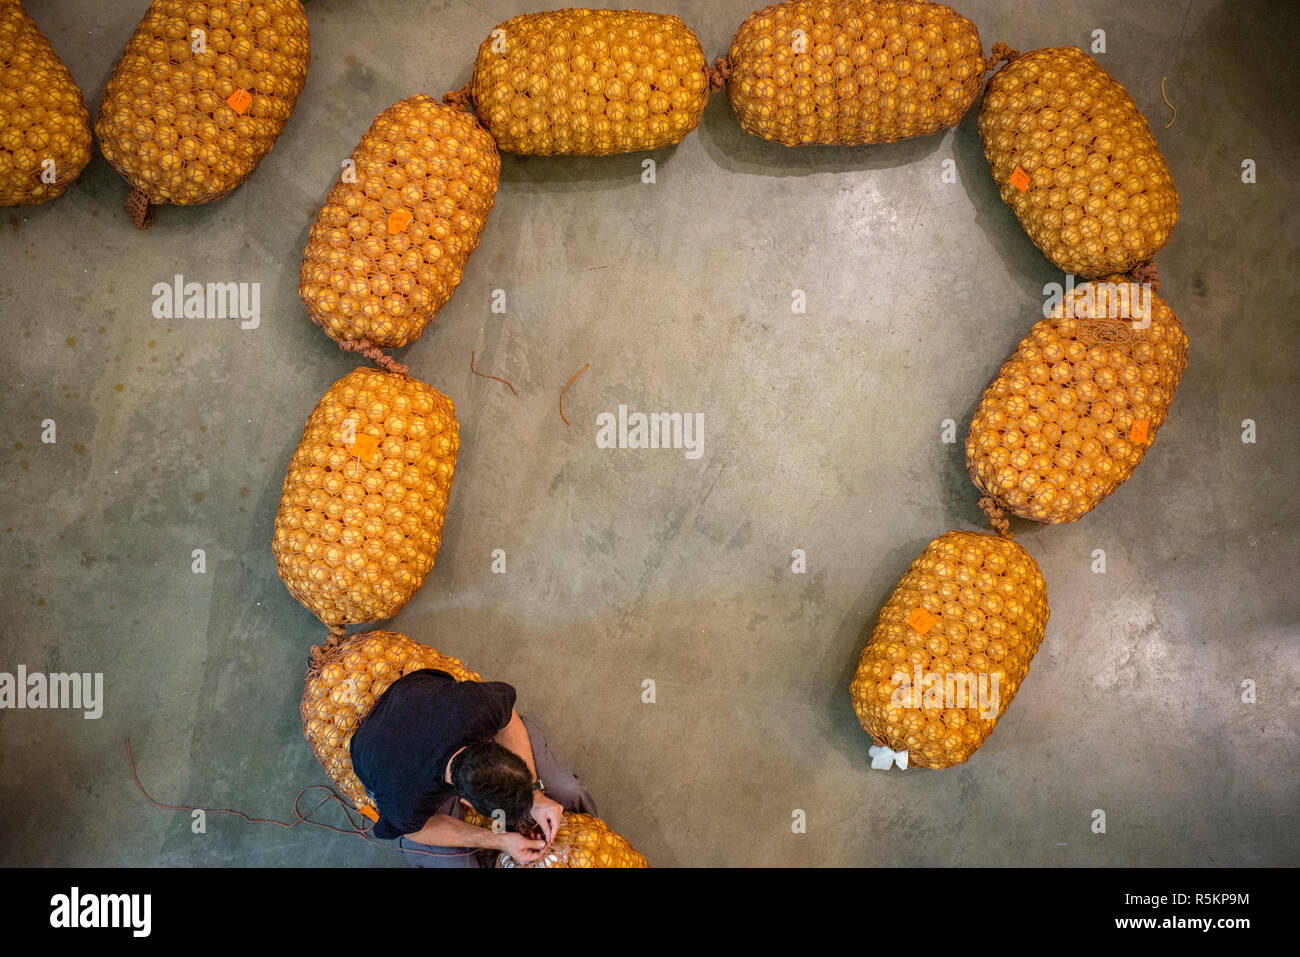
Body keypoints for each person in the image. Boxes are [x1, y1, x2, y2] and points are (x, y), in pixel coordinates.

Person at [349, 665, 597, 867]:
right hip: (376, 752)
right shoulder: (404, 800)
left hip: (419, 701)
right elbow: (417, 831)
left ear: (493, 745)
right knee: (457, 864)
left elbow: (509, 721)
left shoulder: (478, 707)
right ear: (464, 802)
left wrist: (536, 793)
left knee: (568, 790)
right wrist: (498, 840)